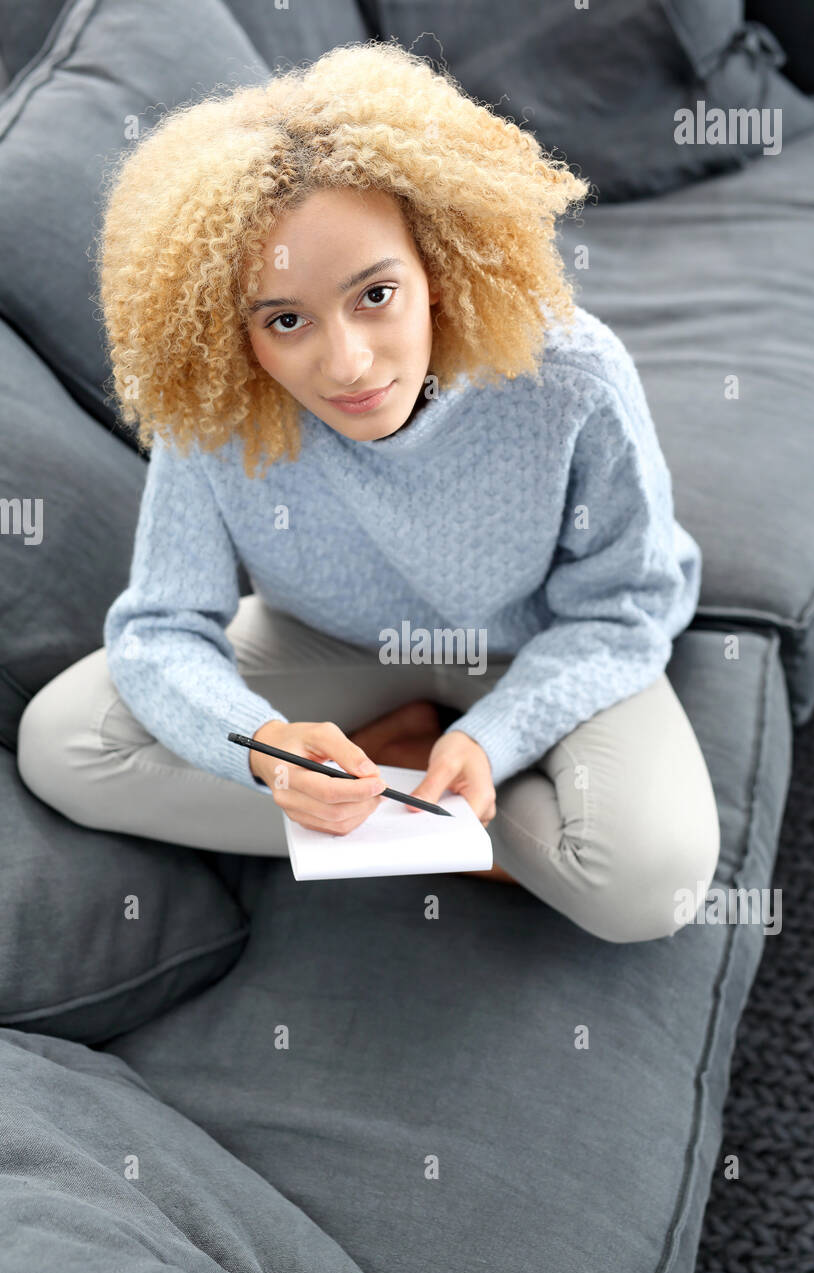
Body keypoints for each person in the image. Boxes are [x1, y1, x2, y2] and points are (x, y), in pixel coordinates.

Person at [16, 40, 720, 944]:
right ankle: (414, 799)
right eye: (284, 320)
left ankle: (410, 781)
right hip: (326, 643)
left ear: (436, 267)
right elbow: (161, 630)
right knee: (65, 745)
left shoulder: (570, 376)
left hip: (539, 641)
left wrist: (494, 739)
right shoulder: (222, 401)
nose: (345, 363)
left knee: (648, 887)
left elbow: (626, 605)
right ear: (241, 335)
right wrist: (263, 748)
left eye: (375, 295)